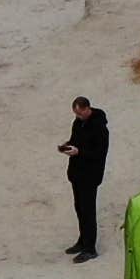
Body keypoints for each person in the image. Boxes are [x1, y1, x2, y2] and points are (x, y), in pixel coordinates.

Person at [59, 95, 110, 261]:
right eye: (76, 114)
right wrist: (67, 146)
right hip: (76, 173)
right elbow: (75, 140)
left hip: (90, 175)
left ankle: (90, 248)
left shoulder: (100, 128)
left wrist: (79, 152)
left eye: (80, 114)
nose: (78, 117)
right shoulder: (77, 123)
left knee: (88, 211)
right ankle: (82, 241)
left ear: (88, 109)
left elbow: (99, 153)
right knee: (79, 208)